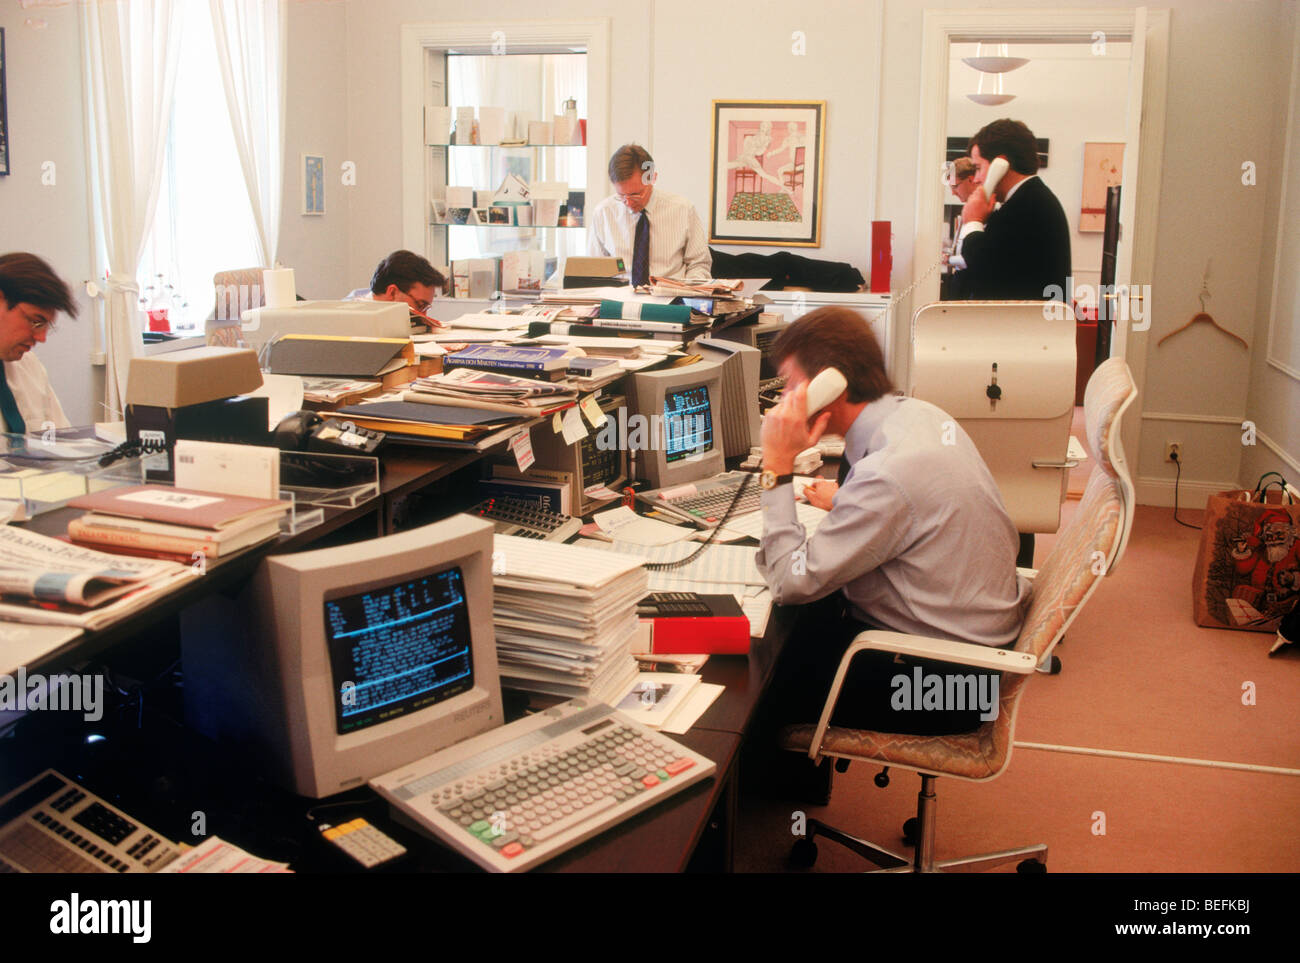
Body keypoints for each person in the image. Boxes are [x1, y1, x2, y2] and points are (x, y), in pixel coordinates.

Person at [755, 307, 1030, 737]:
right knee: (798, 627)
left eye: (791, 385)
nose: (783, 401)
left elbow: (790, 583)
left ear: (830, 384)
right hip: (972, 658)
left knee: (756, 680)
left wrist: (776, 465)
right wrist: (845, 499)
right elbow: (910, 509)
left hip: (946, 689)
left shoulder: (886, 474)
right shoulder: (919, 416)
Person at [951, 119, 1071, 302]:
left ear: (1001, 165)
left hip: (1025, 326)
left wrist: (973, 221)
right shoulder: (1028, 199)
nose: (975, 179)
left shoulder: (1027, 206)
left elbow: (982, 267)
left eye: (978, 168)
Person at [587, 144, 711, 285]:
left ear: (652, 178)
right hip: (618, 301)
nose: (628, 202)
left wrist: (686, 293)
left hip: (671, 299)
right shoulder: (603, 212)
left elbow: (699, 264)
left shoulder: (683, 209)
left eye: (635, 194)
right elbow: (594, 272)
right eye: (621, 195)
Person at [0, 252, 77, 434]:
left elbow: (59, 440)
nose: (41, 337)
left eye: (46, 326)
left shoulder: (29, 366)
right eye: (35, 321)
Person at [346, 250, 448, 328]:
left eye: (425, 308)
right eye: (420, 305)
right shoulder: (352, 323)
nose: (424, 316)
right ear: (392, 292)